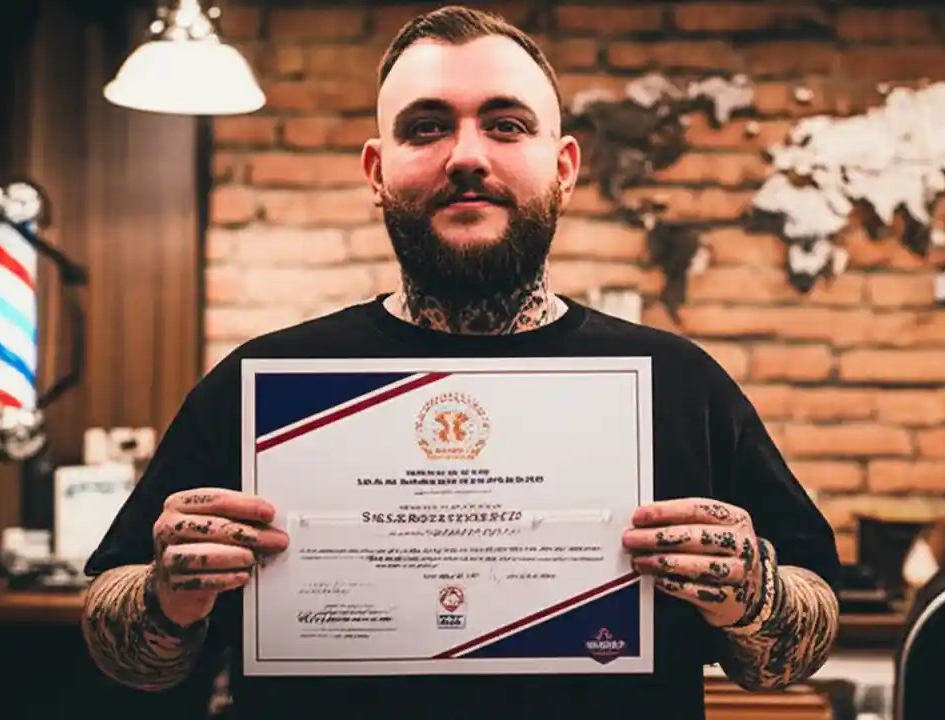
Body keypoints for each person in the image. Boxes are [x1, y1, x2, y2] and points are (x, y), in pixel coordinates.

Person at [80, 6, 841, 719]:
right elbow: (128, 655)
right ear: (377, 172)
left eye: (507, 125)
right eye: (427, 128)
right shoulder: (261, 385)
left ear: (564, 167)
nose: (468, 156)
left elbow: (796, 646)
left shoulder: (676, 382)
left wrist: (757, 593)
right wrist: (162, 597)